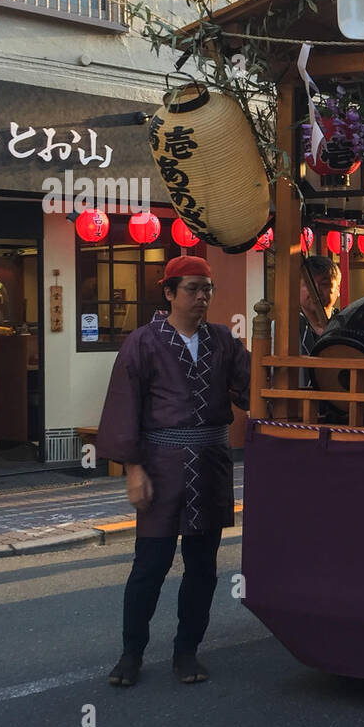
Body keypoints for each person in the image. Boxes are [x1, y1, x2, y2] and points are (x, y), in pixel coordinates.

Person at [98, 256, 250, 686]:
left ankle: (187, 651)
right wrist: (133, 469)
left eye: (207, 289)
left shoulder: (222, 340)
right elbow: (124, 407)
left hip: (211, 463)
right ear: (168, 292)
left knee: (203, 566)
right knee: (150, 564)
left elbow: (254, 386)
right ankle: (131, 653)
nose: (202, 297)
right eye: (192, 289)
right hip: (161, 466)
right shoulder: (142, 343)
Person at [299, 254, 341, 354]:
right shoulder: (285, 327)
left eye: (324, 284)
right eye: (309, 284)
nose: (316, 290)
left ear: (338, 289)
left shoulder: (346, 325)